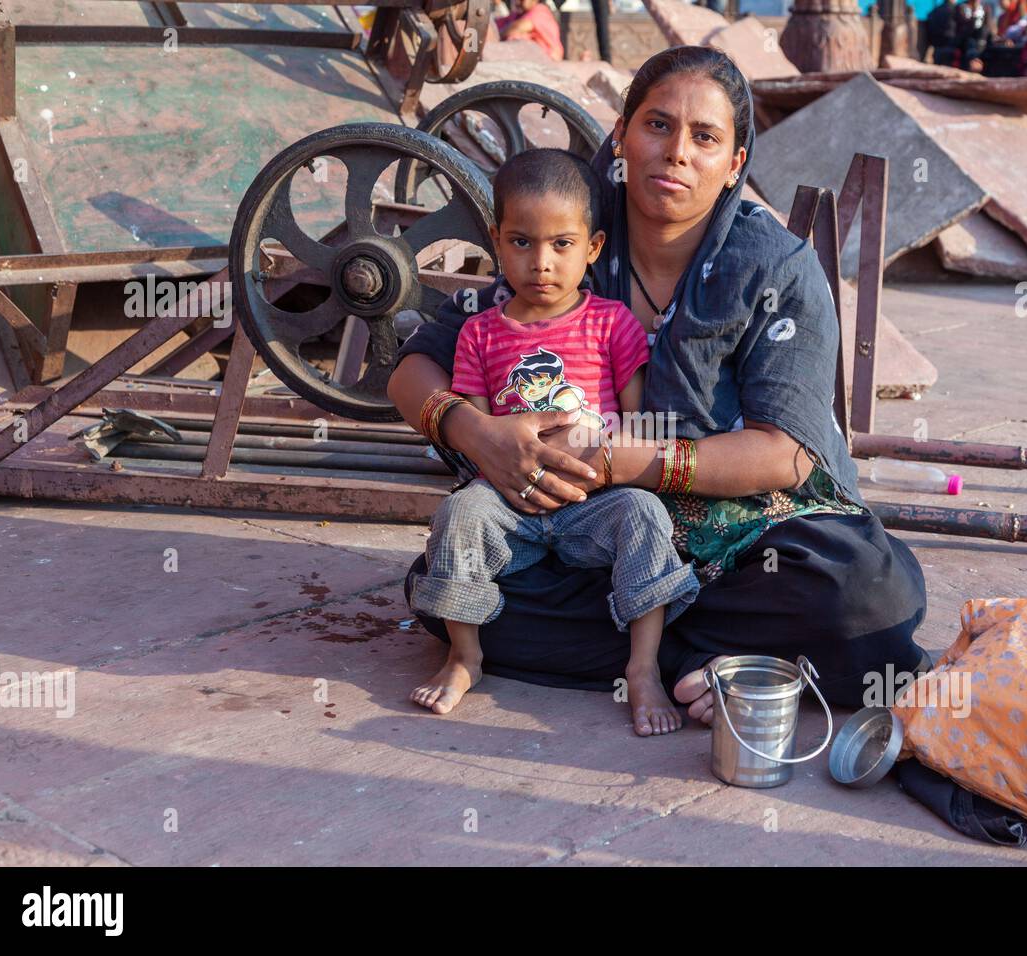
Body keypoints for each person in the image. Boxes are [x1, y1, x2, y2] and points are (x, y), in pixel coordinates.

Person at [388, 46, 930, 726]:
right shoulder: (568, 237)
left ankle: (663, 649)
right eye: (657, 125)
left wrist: (622, 460)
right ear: (621, 134)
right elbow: (415, 366)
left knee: (869, 598)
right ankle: (719, 658)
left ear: (735, 165)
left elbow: (783, 455)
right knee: (441, 586)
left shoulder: (773, 269)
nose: (676, 152)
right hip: (590, 525)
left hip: (743, 529)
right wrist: (476, 432)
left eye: (705, 138)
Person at [408, 148, 700, 736]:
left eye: (561, 245)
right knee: (459, 512)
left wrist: (600, 446)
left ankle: (641, 669)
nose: (541, 264)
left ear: (592, 248)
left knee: (644, 513)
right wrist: (495, 458)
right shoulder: (479, 334)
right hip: (509, 505)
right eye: (521, 242)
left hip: (592, 504)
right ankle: (465, 657)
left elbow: (639, 424)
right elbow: (476, 429)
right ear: (496, 240)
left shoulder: (610, 323)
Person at [497, 0, 564, 61]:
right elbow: (495, 25)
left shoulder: (541, 10)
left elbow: (522, 26)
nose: (517, 2)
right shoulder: (516, 15)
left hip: (547, 59)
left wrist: (499, 34)